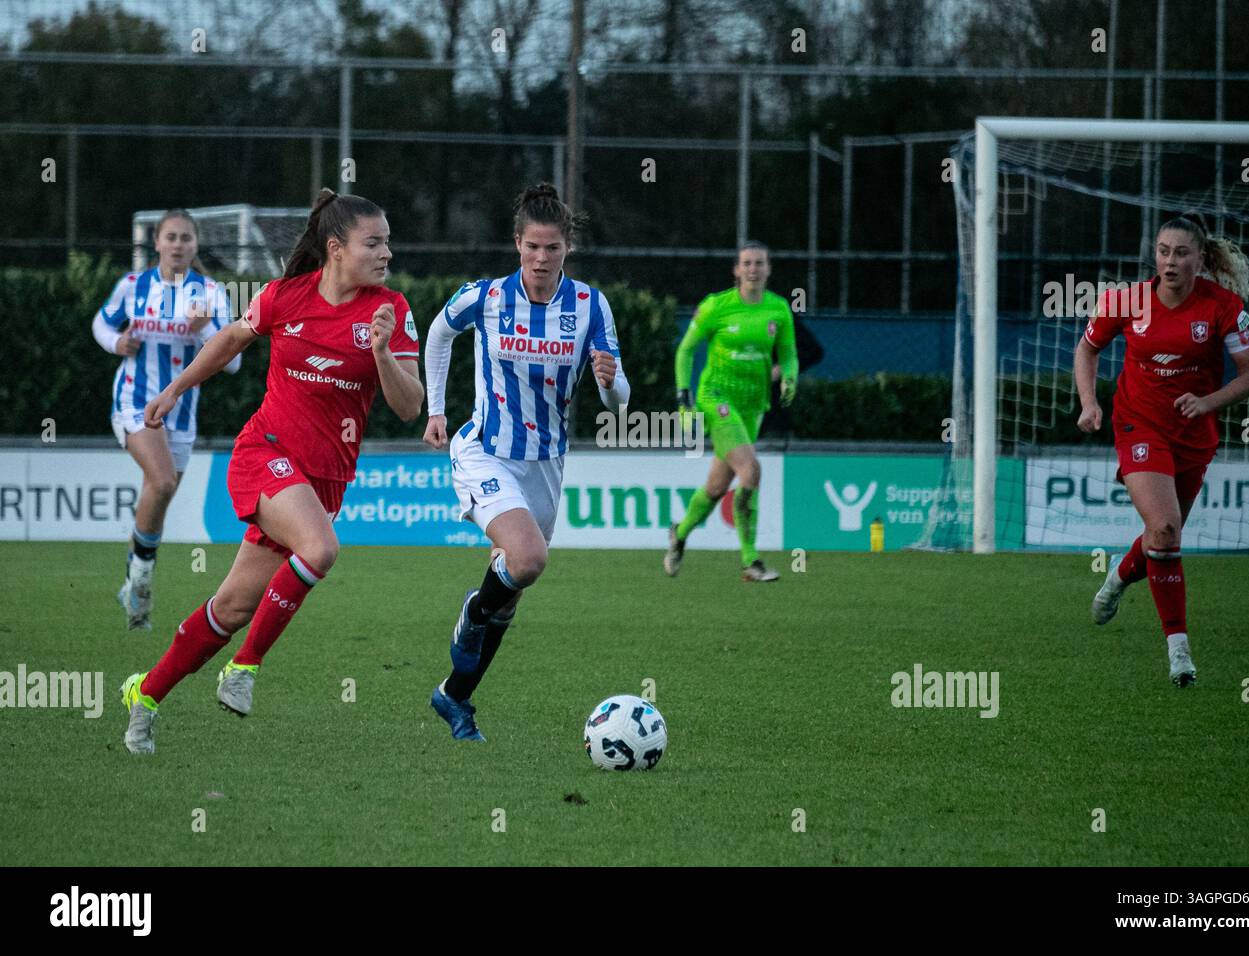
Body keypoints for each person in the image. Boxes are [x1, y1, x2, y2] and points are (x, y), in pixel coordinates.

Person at [119, 189, 423, 754]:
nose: (386, 252)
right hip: (264, 453)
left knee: (232, 607)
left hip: (324, 478)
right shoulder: (286, 296)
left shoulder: (391, 310)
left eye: (388, 241)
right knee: (322, 549)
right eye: (373, 242)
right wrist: (173, 389)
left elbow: (409, 406)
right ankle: (245, 667)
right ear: (336, 248)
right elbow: (229, 339)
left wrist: (382, 353)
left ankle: (147, 695)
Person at [422, 182, 629, 742]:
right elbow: (439, 334)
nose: (541, 259)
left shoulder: (589, 305)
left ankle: (455, 698)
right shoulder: (486, 297)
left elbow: (618, 392)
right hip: (485, 448)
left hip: (546, 463)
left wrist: (611, 385)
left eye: (553, 248)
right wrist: (435, 410)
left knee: (511, 593)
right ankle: (470, 612)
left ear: (567, 250)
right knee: (529, 559)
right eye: (532, 247)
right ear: (517, 244)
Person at [1077, 212, 1249, 687]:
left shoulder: (1222, 307)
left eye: (1181, 253)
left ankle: (1119, 577)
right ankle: (1179, 651)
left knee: (1164, 536)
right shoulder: (1127, 300)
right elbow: (1087, 349)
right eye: (1163, 251)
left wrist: (1206, 402)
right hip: (1138, 426)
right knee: (1163, 525)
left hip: (1194, 436)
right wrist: (1090, 403)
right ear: (1154, 255)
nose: (1170, 261)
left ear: (1201, 259)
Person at [92, 209, 241, 630]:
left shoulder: (210, 293)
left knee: (156, 497)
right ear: (156, 242)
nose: (178, 245)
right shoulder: (133, 286)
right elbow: (100, 325)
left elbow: (233, 362)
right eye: (171, 237)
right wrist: (118, 342)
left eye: (186, 239)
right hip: (134, 400)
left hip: (182, 411)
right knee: (161, 482)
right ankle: (140, 581)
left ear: (195, 246)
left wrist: (202, 331)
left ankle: (132, 578)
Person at [664, 241, 797, 581]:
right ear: (737, 270)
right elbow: (686, 350)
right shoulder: (716, 306)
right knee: (751, 470)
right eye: (747, 263)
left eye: (759, 263)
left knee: (715, 487)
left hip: (753, 405)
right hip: (716, 397)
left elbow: (789, 354)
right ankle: (751, 560)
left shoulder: (779, 309)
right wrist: (684, 397)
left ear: (768, 269)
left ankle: (679, 533)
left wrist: (790, 378)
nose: (753, 269)